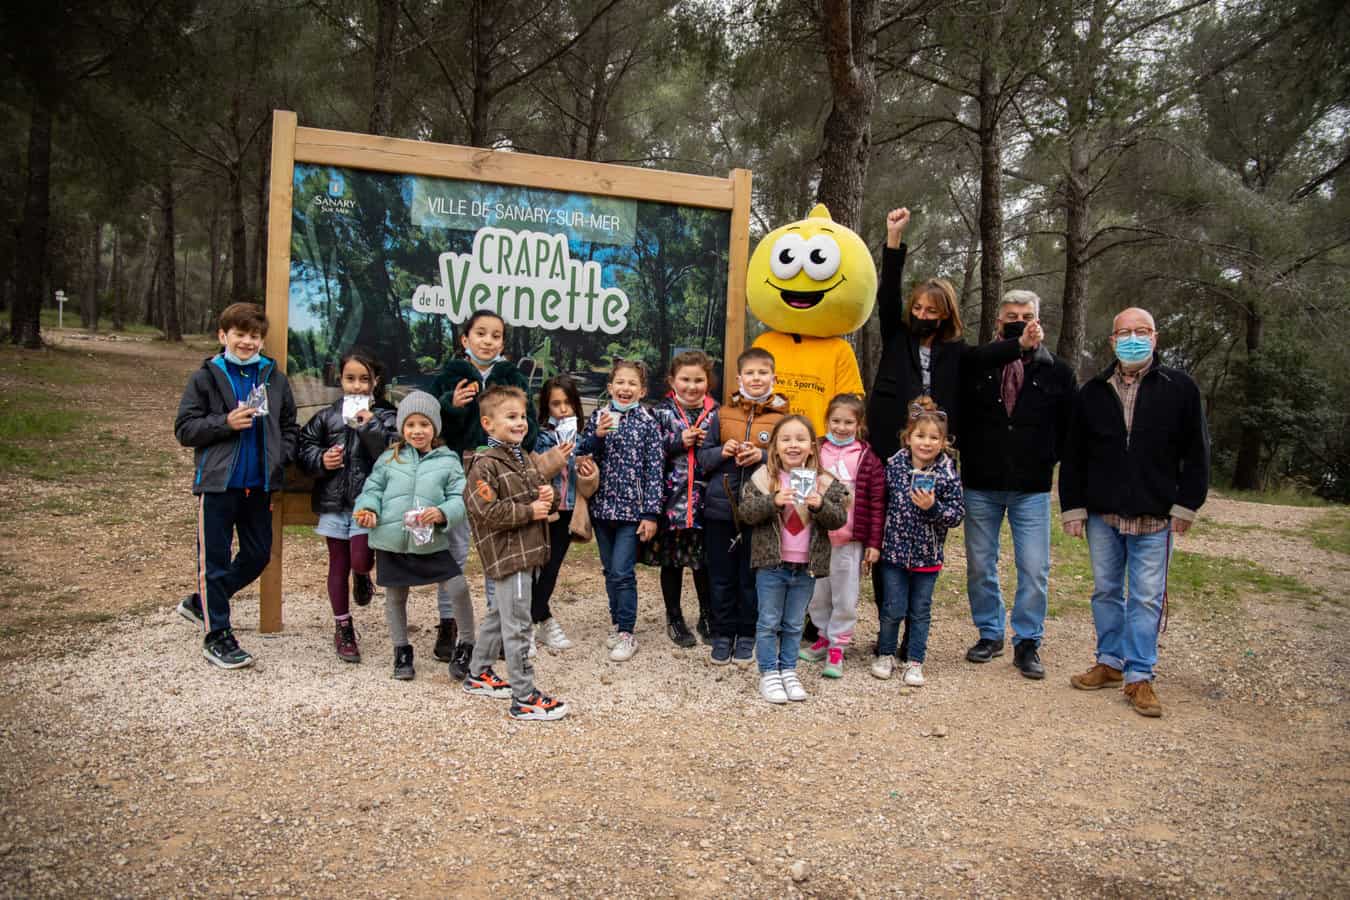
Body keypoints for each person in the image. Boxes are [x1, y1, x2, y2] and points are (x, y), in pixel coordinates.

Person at [866, 208, 1040, 653]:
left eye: (932, 310)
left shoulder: (956, 352)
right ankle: (889, 626)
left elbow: (986, 356)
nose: (923, 314)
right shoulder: (896, 337)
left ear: (945, 315)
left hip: (932, 457)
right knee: (887, 537)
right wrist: (893, 240)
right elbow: (886, 297)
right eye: (918, 308)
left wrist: (1018, 346)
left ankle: (912, 632)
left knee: (923, 536)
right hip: (892, 451)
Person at [1060, 307, 1210, 718]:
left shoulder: (1180, 388)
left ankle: (1140, 676)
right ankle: (1109, 662)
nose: (1132, 338)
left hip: (1155, 515)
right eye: (1124, 332)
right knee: (1106, 591)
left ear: (1155, 338)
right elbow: (1074, 455)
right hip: (1103, 515)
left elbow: (1197, 452)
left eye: (1140, 331)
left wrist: (1187, 504)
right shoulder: (1092, 391)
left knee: (1145, 598)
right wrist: (1072, 508)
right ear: (1111, 341)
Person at [958, 291, 1077, 679]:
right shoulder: (977, 364)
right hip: (981, 482)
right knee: (980, 564)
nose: (1020, 321)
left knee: (1034, 568)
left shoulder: (1058, 371)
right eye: (1011, 316)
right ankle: (990, 633)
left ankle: (1027, 641)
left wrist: (1046, 457)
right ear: (998, 322)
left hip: (1031, 486)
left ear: (1039, 321)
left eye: (1027, 316)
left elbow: (1067, 428)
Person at [174, 302, 298, 669]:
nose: (248, 342)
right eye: (240, 335)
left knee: (258, 554)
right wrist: (225, 422)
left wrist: (280, 457)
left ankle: (203, 604)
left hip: (259, 486)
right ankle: (217, 637)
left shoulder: (274, 378)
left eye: (255, 336)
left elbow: (289, 426)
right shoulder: (206, 377)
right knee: (214, 561)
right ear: (223, 336)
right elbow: (185, 429)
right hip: (217, 485)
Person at [461, 385, 570, 721]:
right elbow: (483, 510)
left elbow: (539, 490)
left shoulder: (519, 457)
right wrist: (530, 511)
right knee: (518, 623)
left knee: (500, 614)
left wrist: (547, 495)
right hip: (509, 553)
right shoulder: (485, 464)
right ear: (488, 424)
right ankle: (524, 696)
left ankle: (478, 673)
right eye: (511, 417)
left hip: (527, 550)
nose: (520, 422)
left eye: (522, 416)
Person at [432, 310, 534, 665]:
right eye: (480, 333)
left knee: (497, 550)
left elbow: (529, 427)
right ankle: (450, 625)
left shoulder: (512, 377)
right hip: (457, 467)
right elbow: (424, 425)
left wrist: (512, 429)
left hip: (498, 469)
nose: (488, 341)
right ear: (465, 339)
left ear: (503, 342)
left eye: (495, 335)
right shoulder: (449, 375)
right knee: (455, 550)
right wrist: (451, 406)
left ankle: (500, 626)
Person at [352, 391, 472, 681]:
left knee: (457, 587)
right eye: (411, 425)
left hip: (430, 540)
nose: (417, 431)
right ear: (402, 428)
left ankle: (467, 644)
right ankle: (401, 650)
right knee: (395, 596)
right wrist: (367, 509)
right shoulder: (388, 458)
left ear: (435, 428)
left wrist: (443, 513)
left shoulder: (448, 460)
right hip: (392, 539)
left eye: (424, 424)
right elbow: (372, 490)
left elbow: (460, 497)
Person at [296, 348, 398, 663]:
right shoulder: (326, 416)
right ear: (340, 380)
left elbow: (393, 449)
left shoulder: (385, 416)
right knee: (337, 563)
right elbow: (304, 447)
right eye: (350, 379)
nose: (357, 386)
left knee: (360, 558)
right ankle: (343, 626)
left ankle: (362, 574)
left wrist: (369, 425)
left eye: (364, 379)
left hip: (367, 505)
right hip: (333, 501)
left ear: (375, 382)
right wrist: (321, 460)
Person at [738, 416, 848, 704]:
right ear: (774, 446)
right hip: (772, 565)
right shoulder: (764, 477)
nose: (793, 445)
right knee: (768, 622)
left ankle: (788, 670)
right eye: (785, 439)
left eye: (800, 439)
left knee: (794, 623)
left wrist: (820, 505)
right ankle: (768, 673)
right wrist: (772, 501)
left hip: (806, 568)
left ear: (812, 447)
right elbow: (746, 512)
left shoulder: (825, 483)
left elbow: (839, 519)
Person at [701, 347, 791, 667]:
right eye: (750, 373)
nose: (756, 379)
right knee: (721, 576)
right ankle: (723, 633)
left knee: (751, 577)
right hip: (721, 510)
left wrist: (763, 457)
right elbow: (702, 460)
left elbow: (793, 460)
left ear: (774, 378)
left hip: (761, 512)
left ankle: (748, 632)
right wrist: (722, 452)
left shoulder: (784, 418)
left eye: (762, 373)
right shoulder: (721, 414)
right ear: (739, 378)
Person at [576, 359, 665, 662]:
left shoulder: (648, 423)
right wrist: (596, 437)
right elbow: (582, 455)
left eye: (632, 384)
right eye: (620, 383)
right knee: (608, 571)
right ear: (610, 387)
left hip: (632, 513)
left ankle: (627, 632)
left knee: (622, 572)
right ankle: (616, 623)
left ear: (642, 391)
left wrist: (650, 514)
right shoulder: (599, 417)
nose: (625, 389)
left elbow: (655, 472)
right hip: (602, 510)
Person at [872, 398, 965, 687]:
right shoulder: (894, 466)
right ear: (908, 438)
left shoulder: (947, 473)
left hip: (927, 556)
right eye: (920, 436)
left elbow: (957, 515)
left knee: (920, 610)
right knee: (892, 607)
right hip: (894, 553)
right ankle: (886, 653)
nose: (926, 443)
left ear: (944, 442)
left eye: (933, 437)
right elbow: (880, 504)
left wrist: (933, 508)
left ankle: (915, 660)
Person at [798, 393, 884, 678]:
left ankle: (839, 645)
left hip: (849, 538)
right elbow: (801, 483)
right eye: (836, 420)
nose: (841, 427)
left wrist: (873, 543)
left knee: (845, 595)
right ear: (826, 420)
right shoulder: (816, 449)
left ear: (859, 424)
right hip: (817, 537)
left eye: (848, 422)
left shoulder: (866, 458)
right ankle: (822, 635)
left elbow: (875, 502)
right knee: (818, 593)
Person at [644, 350, 719, 647]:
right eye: (685, 379)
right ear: (672, 380)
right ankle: (674, 617)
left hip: (705, 505)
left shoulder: (717, 413)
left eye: (698, 380)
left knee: (704, 563)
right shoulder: (660, 412)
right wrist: (678, 441)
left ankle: (707, 615)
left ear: (708, 381)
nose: (692, 386)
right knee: (672, 563)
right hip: (670, 505)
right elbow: (648, 453)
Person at [530, 375, 587, 654]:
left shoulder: (583, 437)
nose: (562, 409)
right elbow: (536, 471)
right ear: (546, 406)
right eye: (556, 404)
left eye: (567, 403)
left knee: (551, 569)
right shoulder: (539, 435)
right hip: (544, 511)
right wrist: (557, 456)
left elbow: (588, 480)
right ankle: (535, 622)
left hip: (569, 511)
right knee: (532, 568)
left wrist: (586, 466)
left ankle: (536, 619)